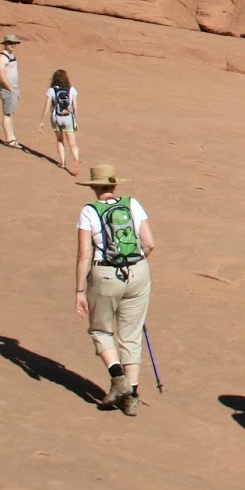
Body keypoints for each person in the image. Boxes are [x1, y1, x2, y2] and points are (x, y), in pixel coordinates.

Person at [73, 164, 156, 416]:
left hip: (106, 274)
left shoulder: (89, 211)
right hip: (138, 271)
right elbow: (150, 243)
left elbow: (84, 255)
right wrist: (136, 264)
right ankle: (131, 397)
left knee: (100, 329)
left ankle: (118, 379)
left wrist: (79, 290)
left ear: (95, 187)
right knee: (131, 334)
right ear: (114, 184)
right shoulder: (133, 204)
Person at [38, 69, 81, 175]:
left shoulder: (52, 91)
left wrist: (42, 121)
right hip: (68, 118)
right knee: (72, 143)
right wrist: (74, 120)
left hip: (56, 118)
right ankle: (76, 159)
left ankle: (62, 162)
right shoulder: (72, 90)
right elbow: (75, 107)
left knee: (60, 139)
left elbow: (47, 106)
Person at [0, 34, 22, 148]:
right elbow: (1, 75)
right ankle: (9, 139)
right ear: (5, 44)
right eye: (10, 43)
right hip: (8, 88)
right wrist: (11, 89)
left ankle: (12, 137)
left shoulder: (11, 55)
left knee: (11, 113)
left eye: (14, 43)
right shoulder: (2, 57)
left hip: (13, 88)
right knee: (7, 114)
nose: (13, 45)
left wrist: (16, 89)